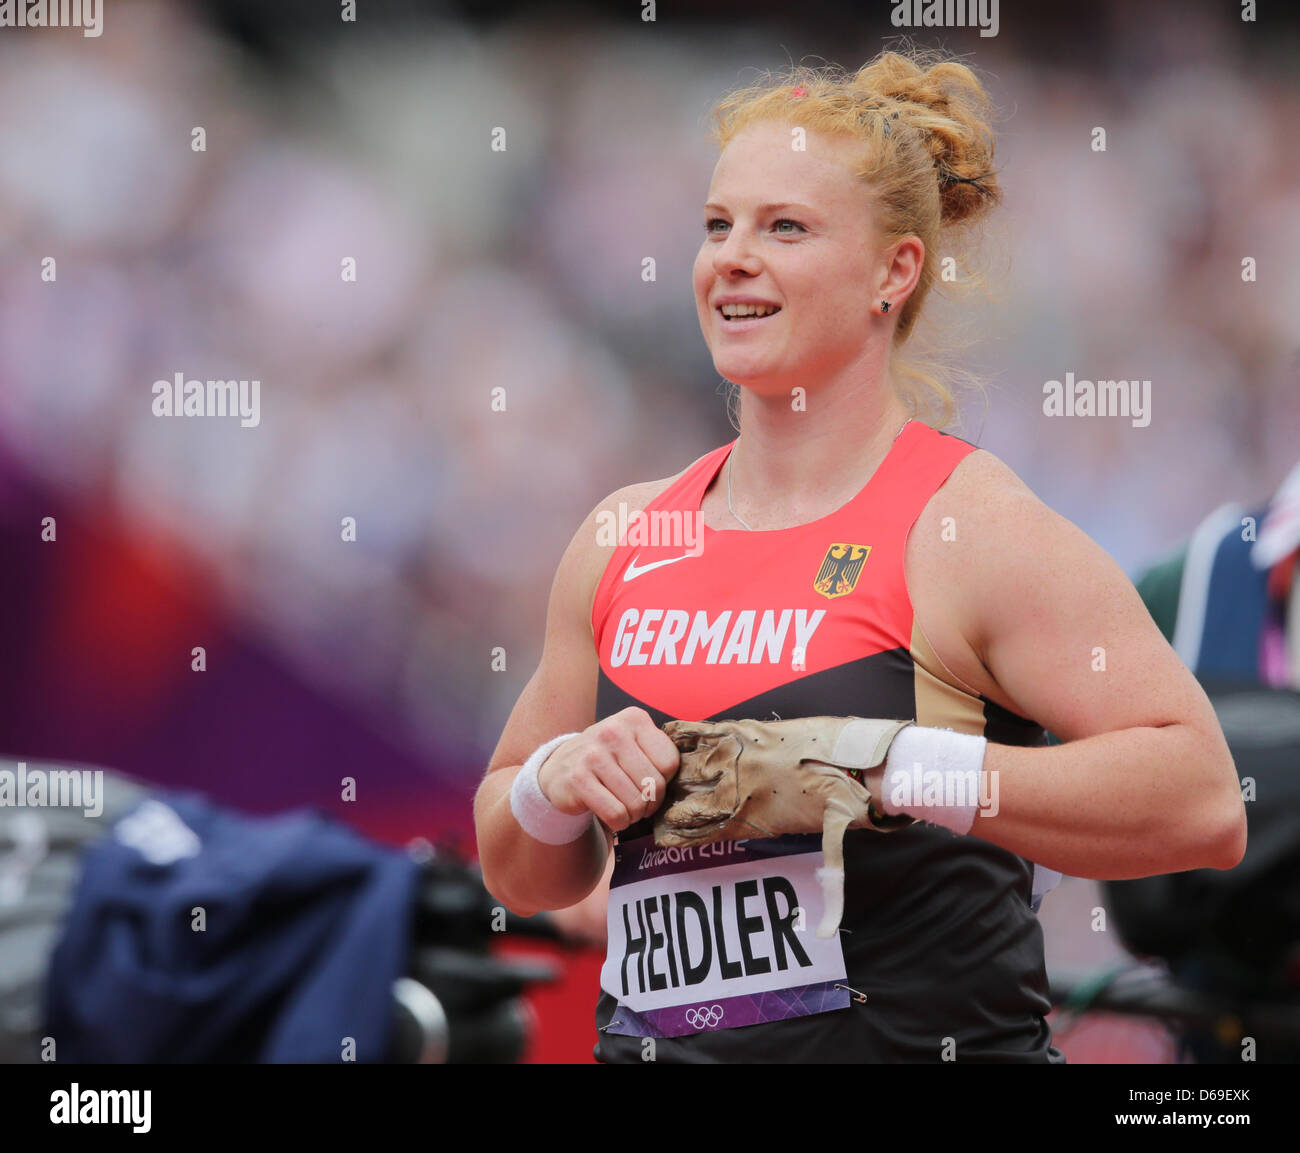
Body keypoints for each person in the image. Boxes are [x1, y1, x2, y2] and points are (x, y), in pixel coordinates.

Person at [473, 48, 1246, 1063]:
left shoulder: (966, 528)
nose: (731, 259)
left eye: (784, 227)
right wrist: (556, 781)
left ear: (894, 272)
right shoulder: (627, 534)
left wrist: (912, 768)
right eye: (718, 226)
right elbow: (524, 873)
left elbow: (1200, 801)